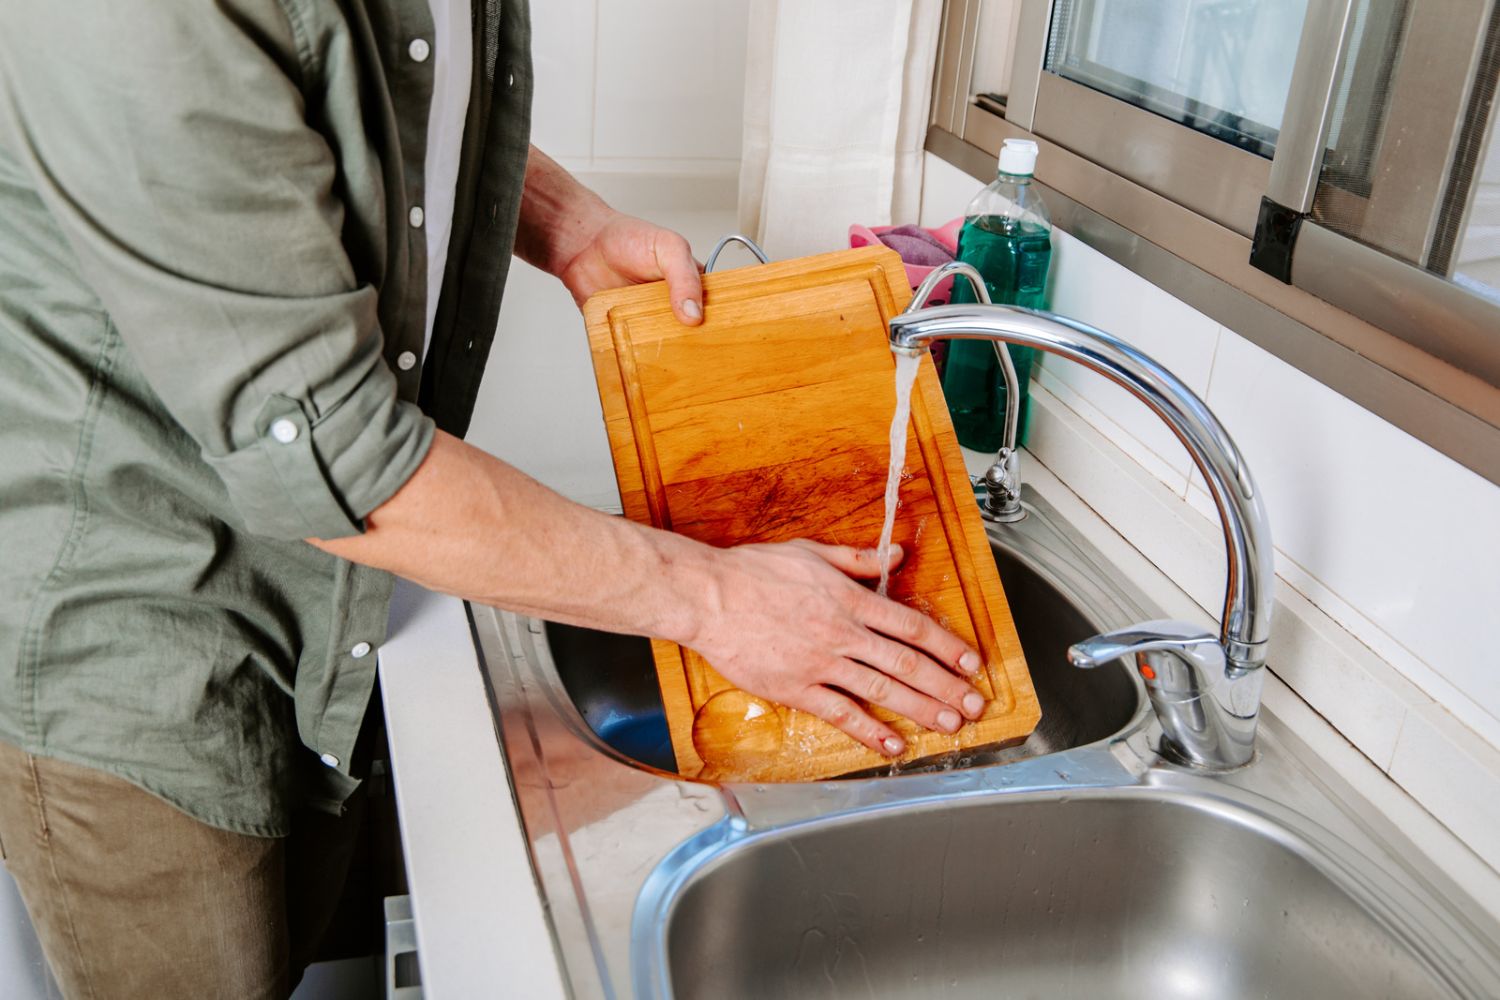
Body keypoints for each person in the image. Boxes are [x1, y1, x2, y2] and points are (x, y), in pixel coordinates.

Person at [0, 1, 987, 995]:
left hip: (323, 607)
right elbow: (337, 458)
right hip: (139, 637)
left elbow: (377, 89)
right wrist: (716, 599)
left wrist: (563, 222)